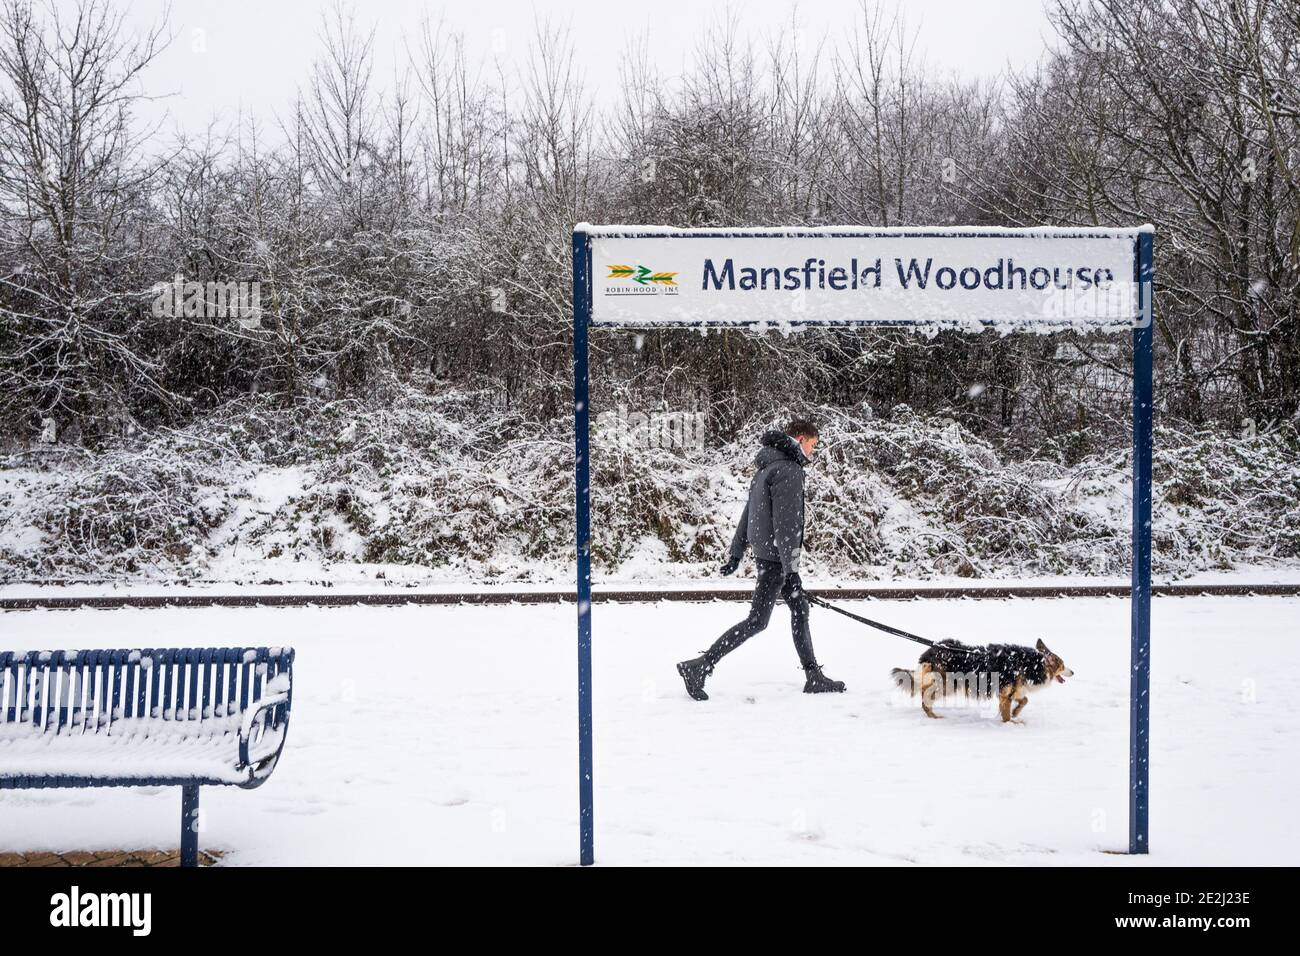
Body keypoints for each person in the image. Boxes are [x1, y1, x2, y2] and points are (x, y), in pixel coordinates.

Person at [676, 418, 846, 700]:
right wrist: (791, 571)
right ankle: (701, 666)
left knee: (799, 610)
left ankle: (813, 675)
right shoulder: (789, 470)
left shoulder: (768, 467)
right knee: (757, 621)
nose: (812, 453)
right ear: (801, 439)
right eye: (812, 445)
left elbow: (749, 514)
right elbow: (787, 525)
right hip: (777, 560)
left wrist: (736, 552)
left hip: (768, 555)